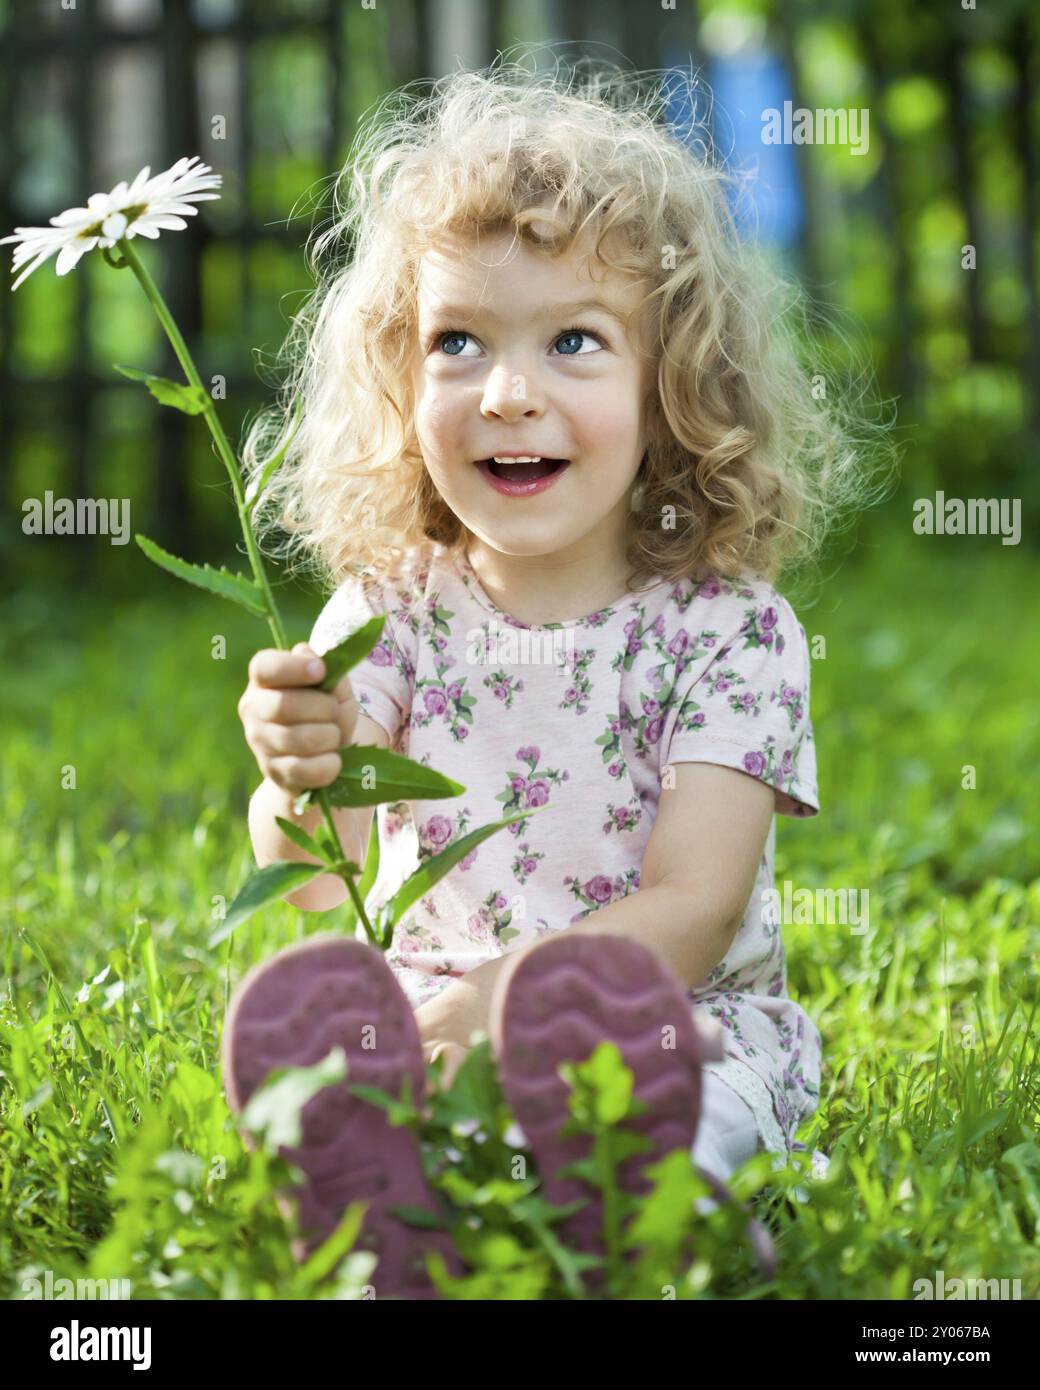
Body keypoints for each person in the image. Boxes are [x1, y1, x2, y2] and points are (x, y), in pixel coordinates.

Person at [226, 55, 883, 1296]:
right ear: (398, 379)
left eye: (573, 341)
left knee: (668, 1108)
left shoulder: (727, 630)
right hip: (428, 1027)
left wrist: (505, 1002)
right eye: (456, 343)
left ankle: (642, 1213)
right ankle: (394, 1220)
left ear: (668, 380)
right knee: (403, 1095)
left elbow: (692, 906)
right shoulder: (389, 610)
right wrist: (294, 772)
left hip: (669, 1028)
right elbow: (313, 882)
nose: (508, 393)